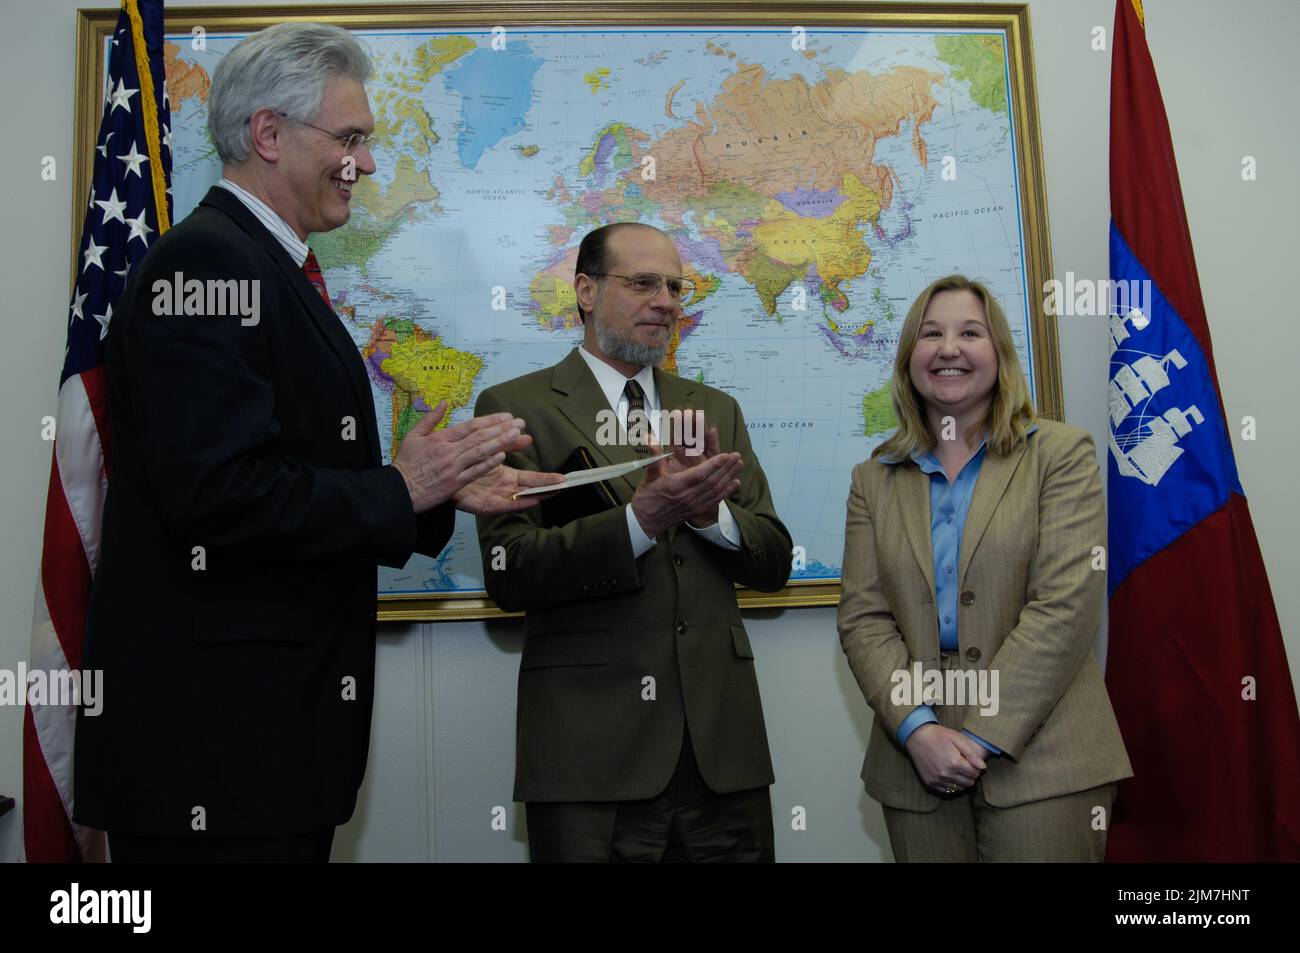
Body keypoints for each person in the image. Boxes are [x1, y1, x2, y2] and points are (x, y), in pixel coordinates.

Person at [73, 22, 560, 862]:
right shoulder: (208, 268)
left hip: (262, 752)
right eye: (350, 139)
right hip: (215, 758)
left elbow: (299, 481)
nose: (366, 164)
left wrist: (433, 492)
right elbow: (221, 493)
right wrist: (399, 489)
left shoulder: (267, 265)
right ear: (268, 134)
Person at [475, 222, 793, 862]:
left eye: (676, 286)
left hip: (721, 758)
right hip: (591, 759)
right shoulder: (517, 408)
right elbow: (511, 573)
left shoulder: (715, 409)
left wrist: (708, 516)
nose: (667, 301)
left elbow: (774, 561)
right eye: (644, 283)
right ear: (586, 291)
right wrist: (640, 520)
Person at [837, 274, 1132, 862]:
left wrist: (977, 737)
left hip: (1045, 758)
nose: (948, 347)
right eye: (931, 334)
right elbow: (863, 619)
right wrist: (918, 730)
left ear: (998, 353)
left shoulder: (1059, 454)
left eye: (969, 332)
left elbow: (1064, 608)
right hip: (915, 765)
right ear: (908, 359)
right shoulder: (873, 478)